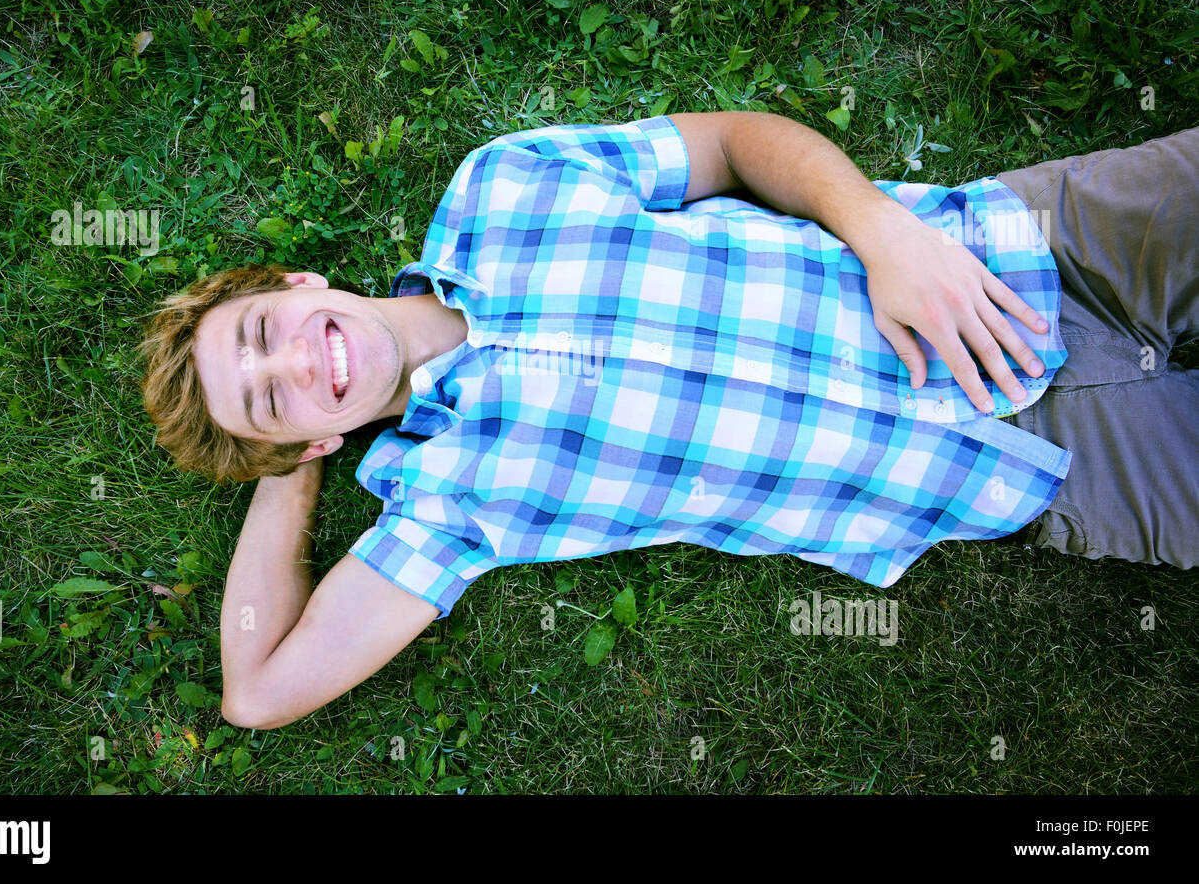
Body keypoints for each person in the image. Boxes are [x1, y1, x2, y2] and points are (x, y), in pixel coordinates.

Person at [138, 110, 1197, 729]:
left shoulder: (506, 187)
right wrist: (285, 465)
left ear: (297, 279)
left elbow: (736, 143)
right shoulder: (444, 499)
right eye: (270, 391)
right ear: (316, 442)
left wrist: (879, 228)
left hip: (1020, 245)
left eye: (262, 327)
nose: (296, 355)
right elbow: (258, 688)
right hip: (1040, 464)